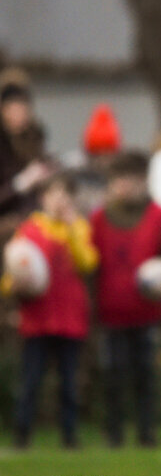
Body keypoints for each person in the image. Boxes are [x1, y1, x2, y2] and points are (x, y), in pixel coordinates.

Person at [90, 151, 161, 448]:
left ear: (143, 181)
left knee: (146, 376)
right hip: (110, 313)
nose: (125, 186)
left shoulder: (159, 217)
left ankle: (147, 433)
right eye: (119, 180)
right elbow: (88, 265)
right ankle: (113, 434)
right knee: (112, 376)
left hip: (147, 313)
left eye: (132, 179)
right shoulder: (98, 219)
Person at [1, 172, 98, 448]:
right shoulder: (30, 230)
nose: (60, 201)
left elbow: (88, 263)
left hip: (70, 318)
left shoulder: (78, 228)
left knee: (69, 383)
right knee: (30, 381)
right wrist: (11, 287)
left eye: (66, 196)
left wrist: (71, 231)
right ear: (43, 198)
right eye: (55, 195)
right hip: (38, 319)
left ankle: (70, 437)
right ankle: (22, 435)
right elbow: (15, 269)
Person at [0, 75, 58, 218]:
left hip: (35, 214)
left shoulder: (34, 137)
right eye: (15, 108)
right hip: (8, 220)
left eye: (24, 108)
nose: (21, 114)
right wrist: (21, 183)